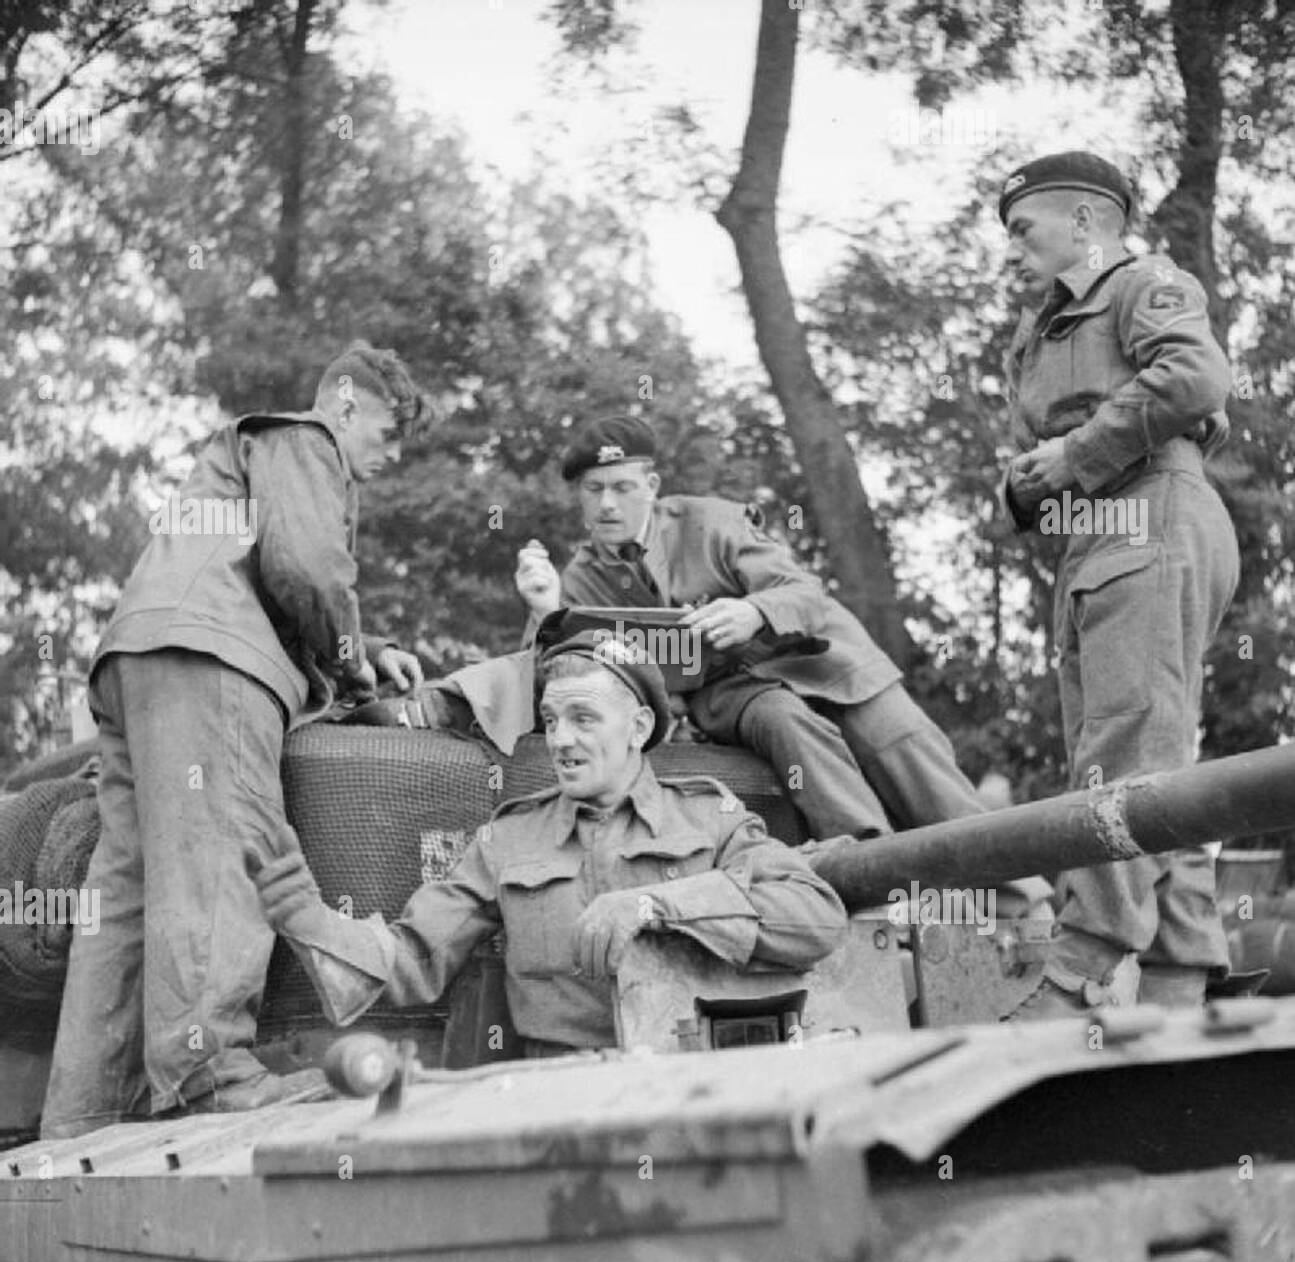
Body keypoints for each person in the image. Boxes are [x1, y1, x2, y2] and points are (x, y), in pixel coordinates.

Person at [41, 341, 428, 1139]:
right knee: (221, 857)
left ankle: (83, 1115)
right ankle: (208, 1075)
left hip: (138, 659)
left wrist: (367, 643)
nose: (393, 456)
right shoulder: (306, 440)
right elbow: (308, 569)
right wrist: (352, 665)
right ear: (345, 402)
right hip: (213, 664)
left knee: (126, 892)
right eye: (389, 433)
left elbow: (270, 574)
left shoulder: (246, 458)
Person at [511, 414, 1052, 918]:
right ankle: (879, 879)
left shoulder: (711, 522)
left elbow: (805, 593)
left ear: (651, 486)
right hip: (732, 690)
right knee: (785, 725)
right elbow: (564, 675)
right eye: (593, 489)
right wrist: (544, 609)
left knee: (913, 762)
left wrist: (753, 611)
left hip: (828, 666)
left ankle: (1027, 911)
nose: (607, 504)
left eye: (622, 487)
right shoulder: (580, 577)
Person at [249, 633, 847, 1054]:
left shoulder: (710, 817)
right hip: (559, 1100)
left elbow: (815, 917)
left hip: (693, 1088)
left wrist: (656, 905)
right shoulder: (508, 839)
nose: (560, 739)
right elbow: (414, 961)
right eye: (551, 720)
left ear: (638, 728)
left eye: (583, 718)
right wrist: (313, 923)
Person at [997, 151, 1240, 1017]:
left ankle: (1080, 965)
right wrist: (1028, 481)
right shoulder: (1038, 332)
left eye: (1022, 228)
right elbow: (1032, 460)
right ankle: (1178, 981)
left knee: (1125, 746)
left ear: (1084, 220)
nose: (1012, 248)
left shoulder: (1142, 283)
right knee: (1152, 759)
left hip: (1151, 511)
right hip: (1092, 538)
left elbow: (1195, 377)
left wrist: (1075, 454)